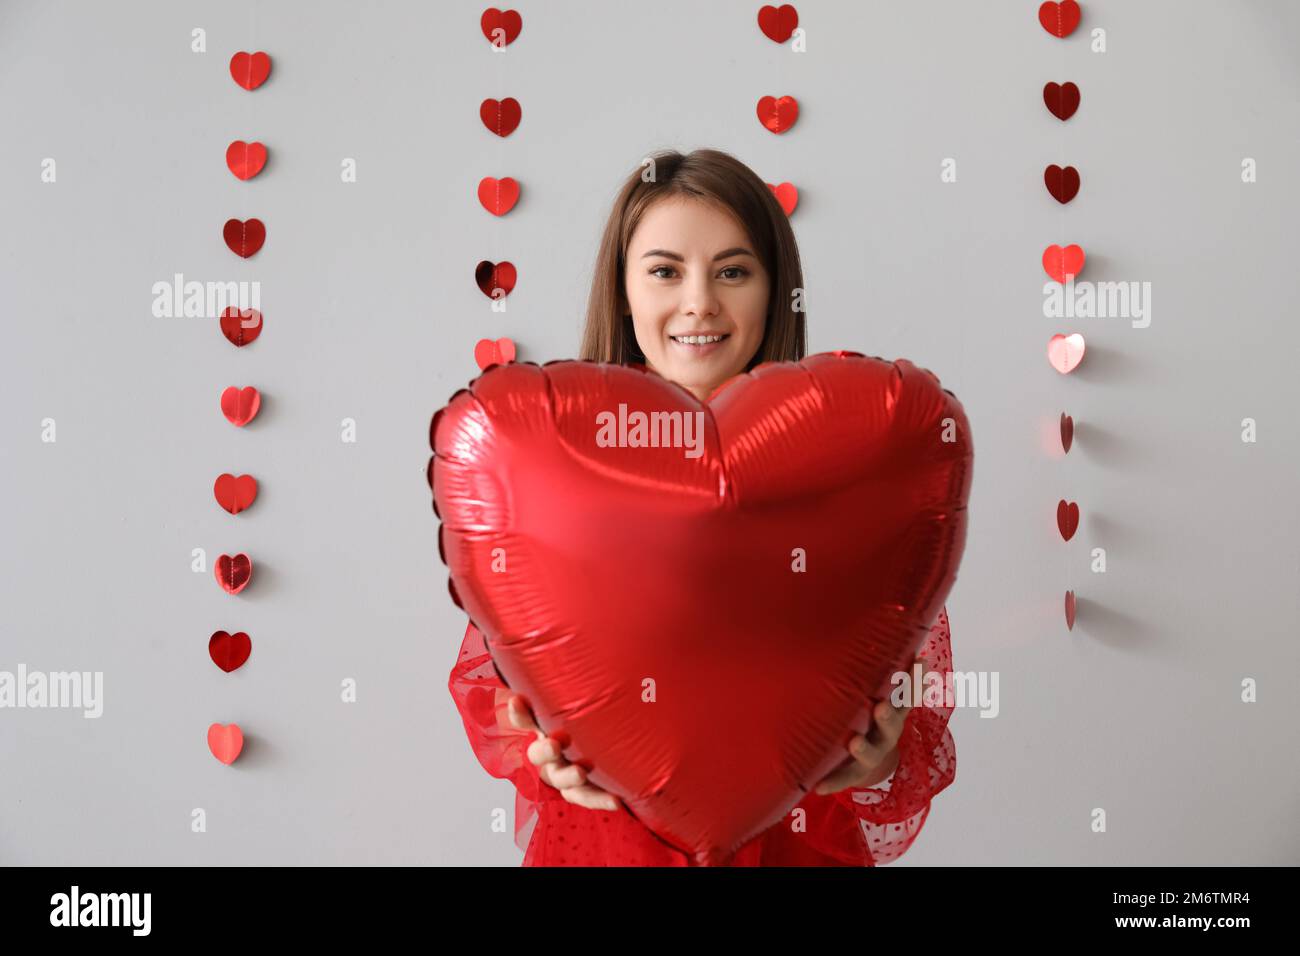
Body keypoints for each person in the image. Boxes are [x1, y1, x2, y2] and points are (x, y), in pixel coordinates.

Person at [448, 148, 956, 866]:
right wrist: (541, 751)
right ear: (623, 291)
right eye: (664, 271)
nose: (699, 302)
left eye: (733, 271)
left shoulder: (850, 457)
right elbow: (501, 677)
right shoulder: (552, 468)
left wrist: (876, 757)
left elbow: (906, 688)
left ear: (774, 290)